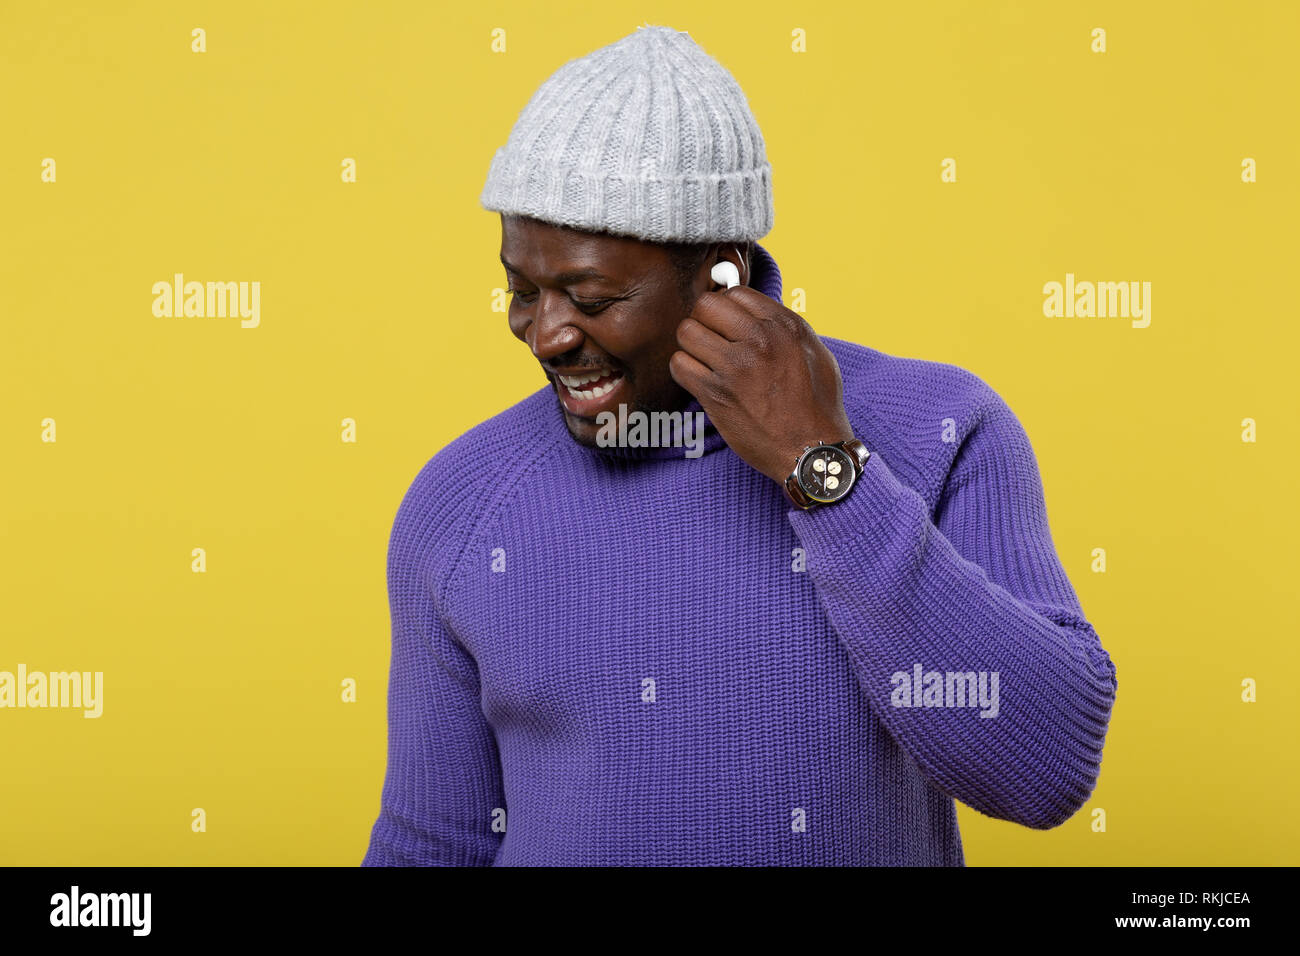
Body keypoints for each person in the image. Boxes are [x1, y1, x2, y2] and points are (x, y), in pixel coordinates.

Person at [361, 24, 1117, 866]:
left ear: (721, 273)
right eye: (522, 289)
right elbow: (431, 845)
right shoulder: (462, 502)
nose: (546, 335)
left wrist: (821, 464)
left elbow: (1046, 767)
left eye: (590, 296)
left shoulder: (940, 430)